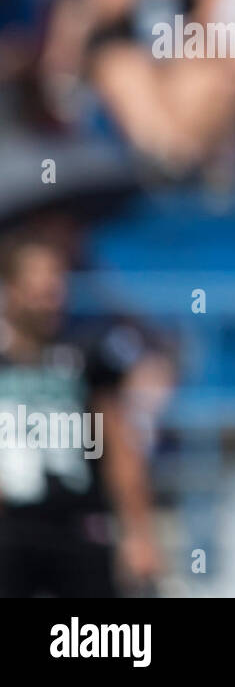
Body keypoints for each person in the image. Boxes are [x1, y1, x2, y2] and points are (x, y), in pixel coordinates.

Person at [0, 225, 165, 597]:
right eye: (37, 286)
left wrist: (139, 534)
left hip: (79, 526)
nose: (49, 296)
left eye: (55, 284)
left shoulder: (87, 356)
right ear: (11, 288)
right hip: (11, 529)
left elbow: (120, 449)